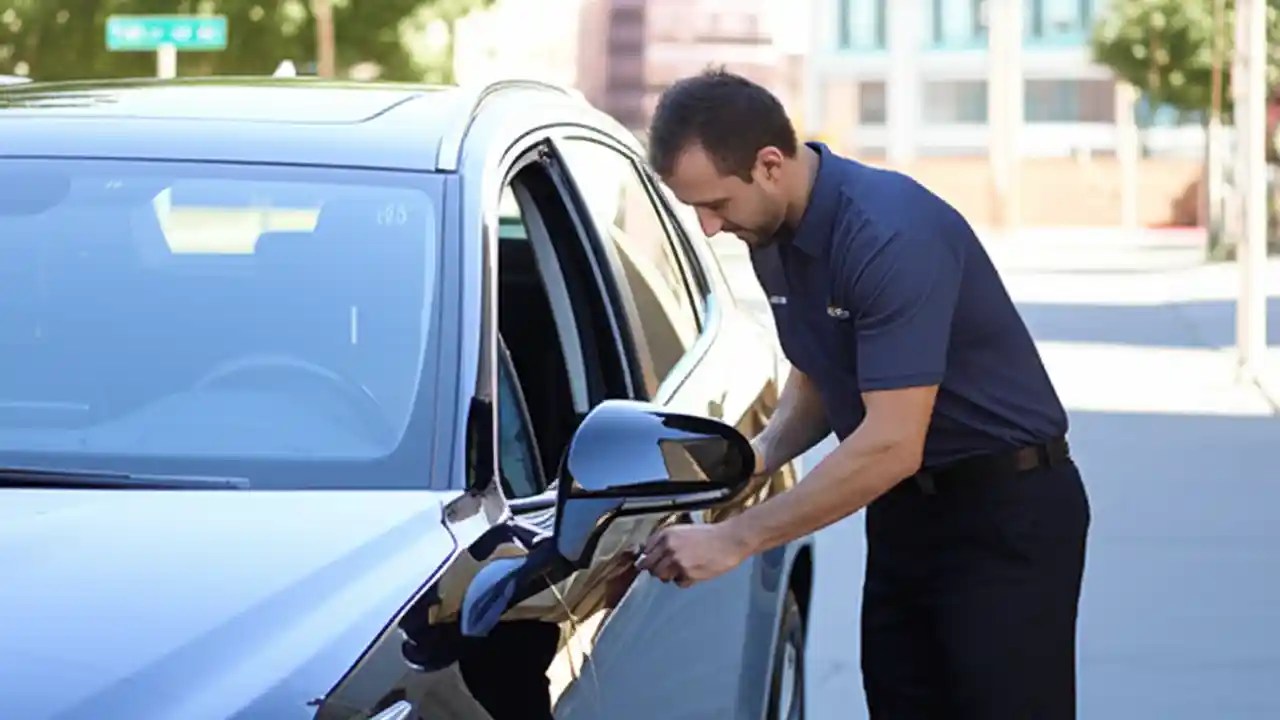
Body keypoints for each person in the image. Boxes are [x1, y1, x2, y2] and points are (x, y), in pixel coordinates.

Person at [635, 69, 1091, 719]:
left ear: (769, 165)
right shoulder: (771, 234)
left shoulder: (887, 233)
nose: (708, 227)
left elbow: (891, 443)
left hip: (1002, 513)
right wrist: (756, 458)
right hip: (907, 514)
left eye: (716, 204)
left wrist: (736, 539)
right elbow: (823, 371)